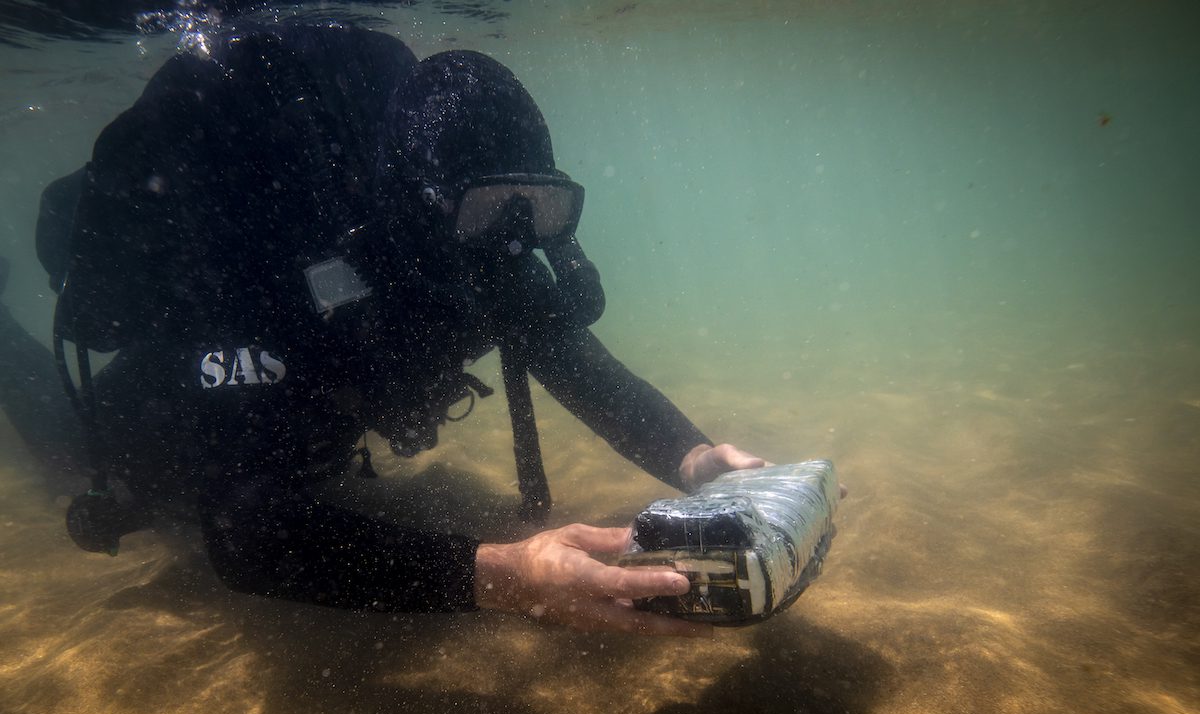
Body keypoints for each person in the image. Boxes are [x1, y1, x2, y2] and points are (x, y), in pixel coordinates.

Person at [1, 21, 773, 636]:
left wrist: (695, 456)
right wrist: (504, 575)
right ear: (416, 203)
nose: (510, 236)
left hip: (318, 409)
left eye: (534, 208)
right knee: (75, 445)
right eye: (486, 207)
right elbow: (244, 536)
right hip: (186, 404)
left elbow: (568, 355)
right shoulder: (277, 262)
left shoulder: (479, 242)